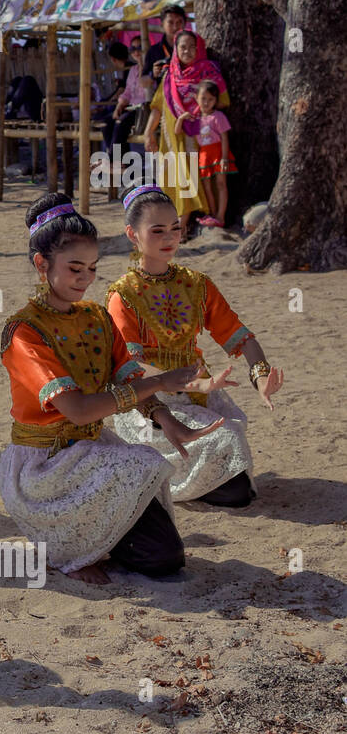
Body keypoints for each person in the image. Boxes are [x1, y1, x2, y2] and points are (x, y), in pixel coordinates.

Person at [0, 193, 222, 584]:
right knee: (150, 504)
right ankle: (68, 549)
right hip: (42, 468)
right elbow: (79, 411)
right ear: (41, 264)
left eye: (92, 269)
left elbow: (125, 376)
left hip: (90, 450)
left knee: (166, 555)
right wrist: (162, 381)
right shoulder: (25, 332)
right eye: (75, 269)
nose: (85, 279)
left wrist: (166, 418)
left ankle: (97, 542)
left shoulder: (95, 316)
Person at [106, 185, 283, 506]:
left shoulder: (196, 284)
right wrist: (195, 381)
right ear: (133, 234)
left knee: (232, 448)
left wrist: (260, 378)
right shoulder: (123, 296)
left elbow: (241, 336)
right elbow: (130, 366)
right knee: (229, 456)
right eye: (157, 230)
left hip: (201, 393)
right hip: (150, 400)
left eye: (175, 228)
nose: (169, 238)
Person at [144, 30, 216, 227]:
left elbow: (221, 101)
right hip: (170, 139)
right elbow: (158, 107)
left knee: (190, 176)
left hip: (195, 137)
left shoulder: (207, 72)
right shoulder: (169, 76)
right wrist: (148, 132)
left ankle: (182, 224)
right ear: (176, 49)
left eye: (192, 47)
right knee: (170, 178)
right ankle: (173, 222)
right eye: (183, 47)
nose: (188, 51)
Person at [175, 79, 235, 227]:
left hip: (217, 152)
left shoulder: (218, 116)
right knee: (207, 186)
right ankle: (212, 214)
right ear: (196, 98)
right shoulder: (195, 119)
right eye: (203, 98)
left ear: (216, 100)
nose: (206, 102)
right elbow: (177, 131)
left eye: (211, 99)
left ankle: (221, 217)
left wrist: (225, 158)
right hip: (203, 155)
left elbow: (224, 137)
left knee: (221, 184)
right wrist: (182, 118)